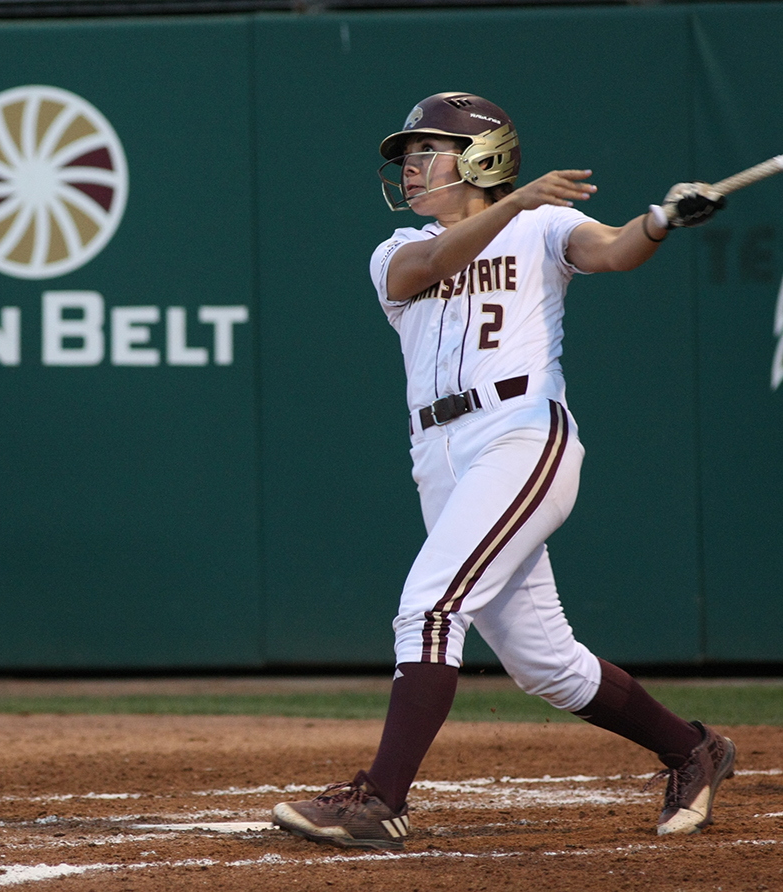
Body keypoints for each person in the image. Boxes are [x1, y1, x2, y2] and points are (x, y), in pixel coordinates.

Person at [271, 92, 736, 851]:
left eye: (429, 152)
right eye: (409, 156)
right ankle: (694, 751)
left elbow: (615, 249)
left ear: (480, 157)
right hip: (438, 454)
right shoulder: (395, 248)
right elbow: (433, 262)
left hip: (520, 433)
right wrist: (514, 199)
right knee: (545, 664)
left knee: (428, 606)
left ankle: (381, 799)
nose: (412, 168)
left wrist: (659, 222)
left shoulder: (544, 226)